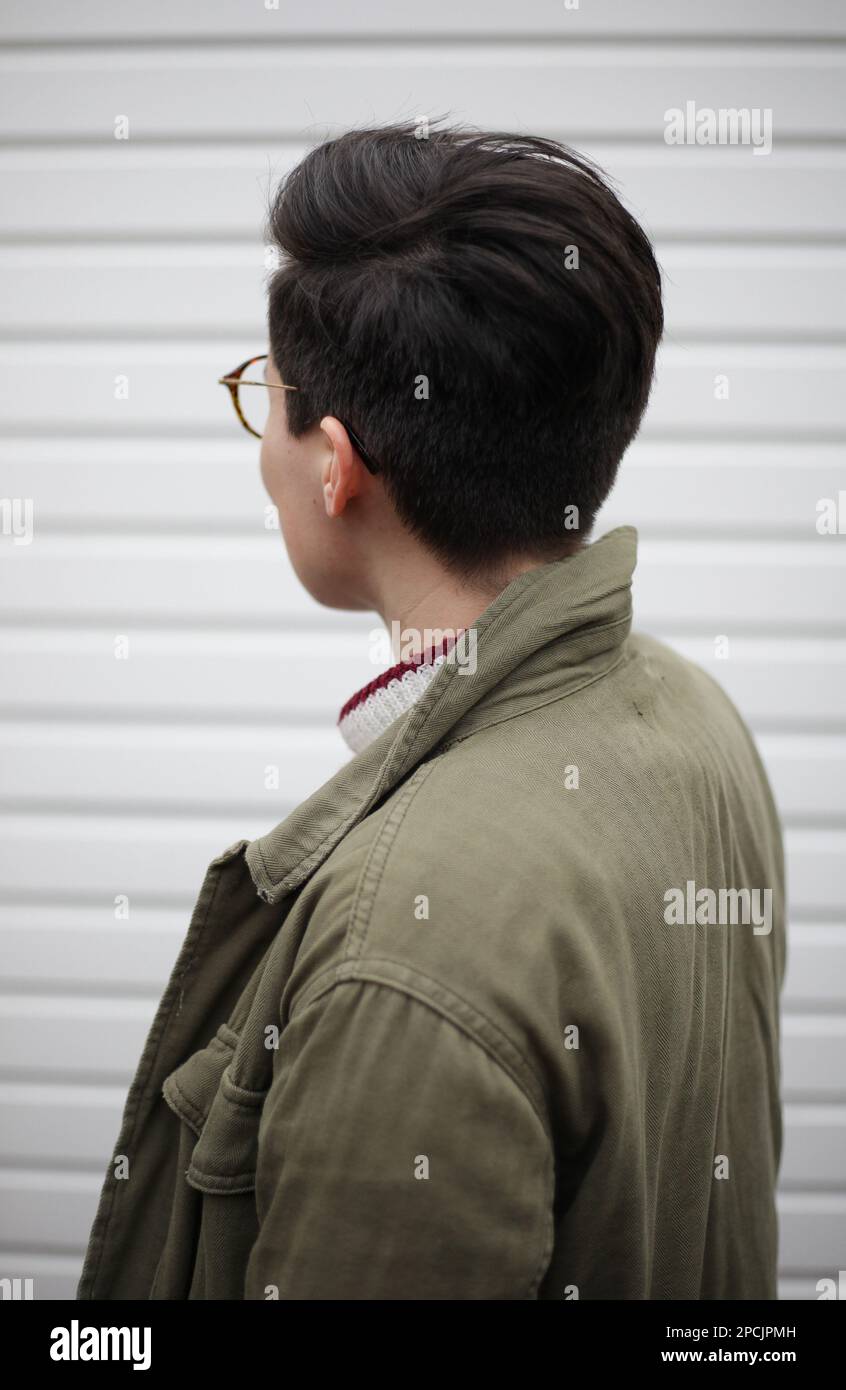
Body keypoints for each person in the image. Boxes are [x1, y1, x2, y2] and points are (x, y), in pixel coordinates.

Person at [77, 120, 785, 1301]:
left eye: (269, 401)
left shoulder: (397, 945)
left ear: (336, 465)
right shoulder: (693, 714)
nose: (265, 448)